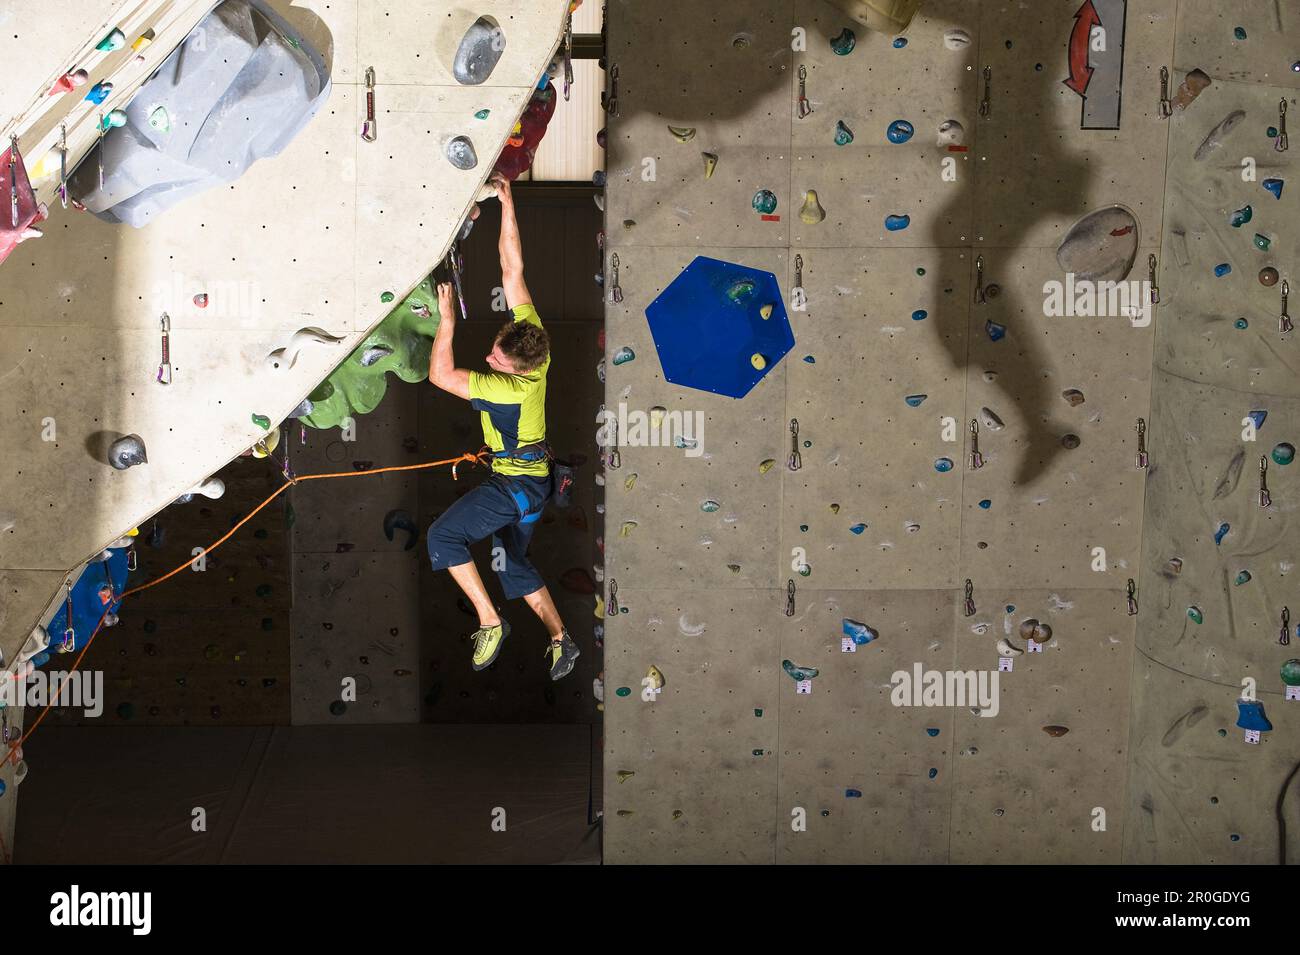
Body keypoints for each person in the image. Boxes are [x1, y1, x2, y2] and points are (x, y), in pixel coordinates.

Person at [426, 172, 580, 681]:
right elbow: (512, 267)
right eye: (495, 346)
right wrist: (506, 202)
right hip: (531, 488)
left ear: (517, 369)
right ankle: (561, 639)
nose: (488, 355)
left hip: (516, 485)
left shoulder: (509, 388)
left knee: (444, 538)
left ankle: (490, 619)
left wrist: (447, 323)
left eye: (495, 357)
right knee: (511, 563)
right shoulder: (536, 342)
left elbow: (441, 376)